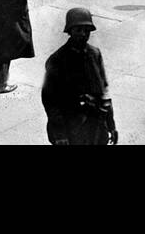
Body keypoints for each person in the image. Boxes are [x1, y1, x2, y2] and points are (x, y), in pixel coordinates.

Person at [41, 8, 118, 145]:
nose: (83, 34)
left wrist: (111, 125)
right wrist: (60, 134)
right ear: (70, 31)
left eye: (86, 30)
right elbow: (50, 100)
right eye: (78, 30)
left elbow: (104, 92)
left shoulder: (95, 54)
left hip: (95, 127)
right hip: (70, 128)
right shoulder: (57, 60)